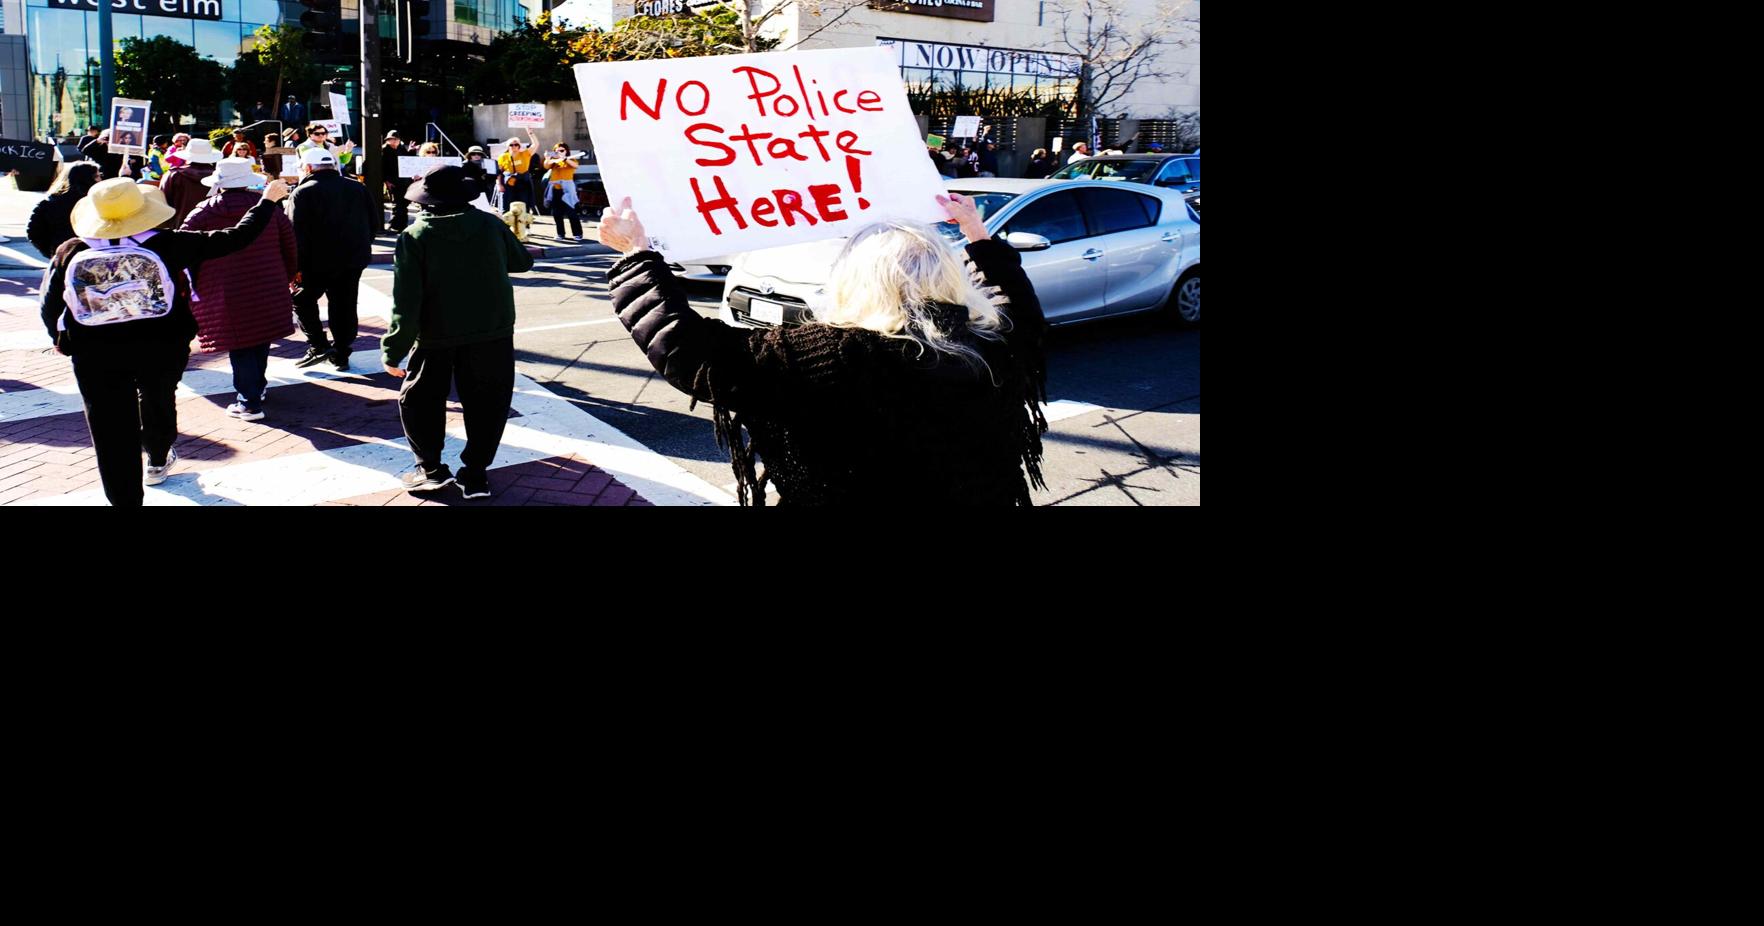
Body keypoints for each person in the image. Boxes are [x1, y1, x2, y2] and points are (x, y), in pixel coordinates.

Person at [600, 193, 1049, 507]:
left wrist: (637, 256)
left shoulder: (826, 354)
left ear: (852, 278)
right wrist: (976, 233)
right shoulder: (994, 342)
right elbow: (1018, 304)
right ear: (949, 273)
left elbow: (690, 351)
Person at [36, 177, 292, 506]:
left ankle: (124, 500)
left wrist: (60, 339)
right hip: (160, 345)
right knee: (157, 398)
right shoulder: (167, 243)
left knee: (109, 428)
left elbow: (50, 304)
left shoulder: (72, 250)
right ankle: (157, 458)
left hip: (94, 352)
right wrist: (267, 202)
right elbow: (236, 238)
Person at [381, 166, 535, 498]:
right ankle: (476, 473)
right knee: (488, 402)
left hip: (436, 332)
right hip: (491, 328)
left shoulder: (415, 235)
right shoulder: (489, 223)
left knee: (420, 400)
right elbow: (522, 262)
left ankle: (431, 469)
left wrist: (394, 349)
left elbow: (405, 301)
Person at [180, 158, 298, 422]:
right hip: (267, 282)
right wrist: (288, 275)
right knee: (261, 337)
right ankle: (257, 387)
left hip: (223, 288)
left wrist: (193, 287)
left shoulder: (203, 213)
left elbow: (185, 251)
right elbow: (289, 245)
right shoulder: (269, 209)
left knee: (240, 342)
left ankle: (249, 402)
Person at [287, 147, 377, 370]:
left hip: (316, 262)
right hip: (352, 259)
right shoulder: (357, 187)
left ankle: (318, 345)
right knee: (344, 304)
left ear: (308, 168)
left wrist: (295, 266)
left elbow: (295, 232)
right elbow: (374, 223)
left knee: (302, 300)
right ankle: (341, 352)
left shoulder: (303, 191)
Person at [27, 161, 102, 259]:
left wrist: (52, 252)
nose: (100, 179)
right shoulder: (95, 202)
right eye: (96, 176)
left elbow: (33, 232)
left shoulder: (49, 202)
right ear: (87, 179)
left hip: (63, 255)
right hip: (91, 254)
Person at [161, 137, 223, 227]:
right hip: (213, 228)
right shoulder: (220, 176)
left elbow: (163, 201)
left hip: (179, 227)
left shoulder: (174, 174)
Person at [541, 142, 583, 240]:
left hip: (567, 191)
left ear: (566, 151)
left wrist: (564, 158)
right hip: (555, 190)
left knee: (571, 212)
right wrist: (548, 158)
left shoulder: (571, 159)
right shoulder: (553, 162)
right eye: (556, 150)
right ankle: (560, 234)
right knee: (556, 213)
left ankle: (577, 233)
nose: (559, 152)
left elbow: (575, 166)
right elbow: (546, 166)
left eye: (561, 150)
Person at [496, 132, 539, 214]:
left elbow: (536, 144)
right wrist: (499, 185)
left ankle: (524, 225)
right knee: (507, 206)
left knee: (523, 205)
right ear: (508, 147)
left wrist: (530, 133)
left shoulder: (525, 154)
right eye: (511, 145)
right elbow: (499, 172)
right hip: (509, 183)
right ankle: (506, 225)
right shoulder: (503, 157)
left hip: (523, 183)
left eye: (516, 144)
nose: (514, 146)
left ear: (519, 146)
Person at [382, 130, 411, 232]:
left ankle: (403, 225)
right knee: (397, 204)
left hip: (404, 181)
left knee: (404, 204)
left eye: (396, 139)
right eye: (391, 139)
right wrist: (386, 181)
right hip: (392, 181)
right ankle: (394, 225)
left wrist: (411, 151)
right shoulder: (384, 150)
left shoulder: (402, 149)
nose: (393, 141)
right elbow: (382, 167)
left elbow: (408, 161)